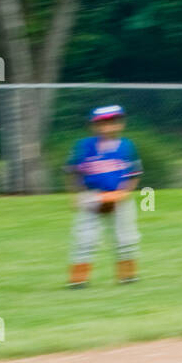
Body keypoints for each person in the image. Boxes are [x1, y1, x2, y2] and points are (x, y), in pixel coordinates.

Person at [65, 105, 142, 287]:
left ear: (120, 124)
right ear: (93, 125)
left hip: (119, 196)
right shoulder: (83, 146)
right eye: (101, 122)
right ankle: (78, 279)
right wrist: (75, 195)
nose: (107, 126)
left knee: (126, 238)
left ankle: (127, 275)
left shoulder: (127, 146)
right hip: (91, 195)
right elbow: (73, 172)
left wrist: (125, 193)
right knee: (85, 238)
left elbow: (134, 175)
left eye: (112, 121)